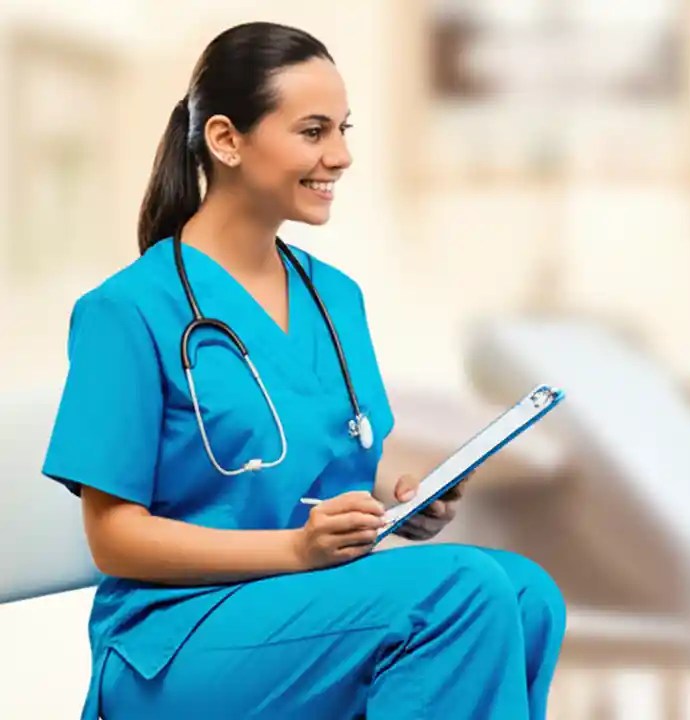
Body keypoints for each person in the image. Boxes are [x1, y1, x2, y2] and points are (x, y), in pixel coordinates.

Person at [41, 21, 564, 720]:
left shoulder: (334, 296)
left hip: (304, 603)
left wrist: (400, 503)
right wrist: (295, 548)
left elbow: (314, 455)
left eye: (344, 128)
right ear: (226, 140)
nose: (342, 156)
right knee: (461, 593)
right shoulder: (127, 310)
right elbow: (113, 537)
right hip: (176, 636)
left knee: (528, 595)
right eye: (313, 131)